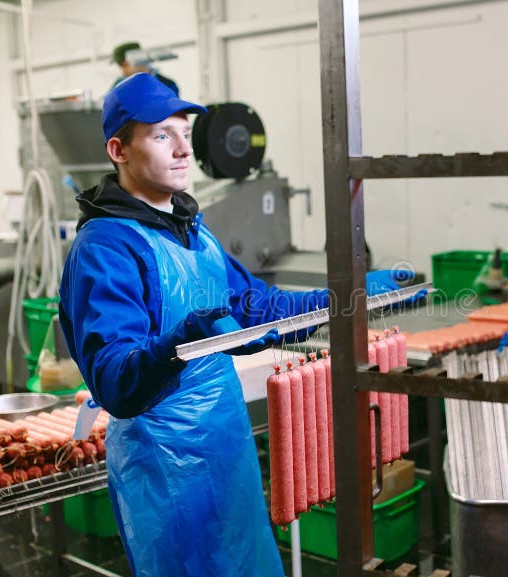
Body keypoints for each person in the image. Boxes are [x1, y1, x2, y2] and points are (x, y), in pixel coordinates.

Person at [58, 72, 419, 577]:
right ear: (118, 149)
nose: (184, 149)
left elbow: (257, 308)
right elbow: (114, 378)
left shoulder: (194, 233)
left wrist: (349, 297)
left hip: (226, 449)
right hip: (166, 469)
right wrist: (176, 347)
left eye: (186, 133)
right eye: (163, 135)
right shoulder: (106, 248)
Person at [111, 41, 179, 95]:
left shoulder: (167, 85)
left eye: (125, 65)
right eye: (120, 66)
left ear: (139, 59)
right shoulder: (118, 85)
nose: (123, 71)